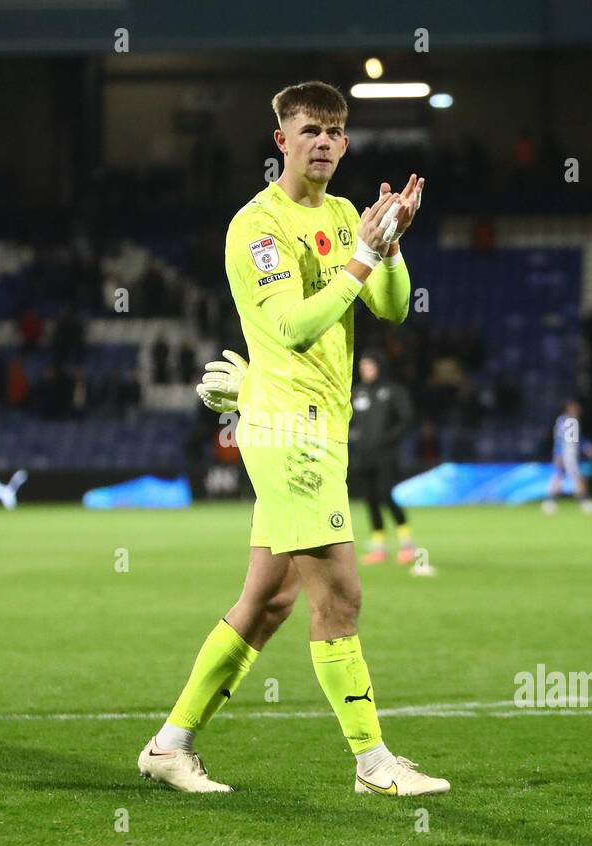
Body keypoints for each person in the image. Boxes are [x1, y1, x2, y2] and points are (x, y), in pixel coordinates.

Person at [140, 81, 448, 797]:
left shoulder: (346, 215)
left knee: (267, 603)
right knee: (339, 595)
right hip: (286, 429)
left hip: (323, 428)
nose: (324, 142)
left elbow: (393, 309)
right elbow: (291, 327)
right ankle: (373, 764)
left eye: (336, 131)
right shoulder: (257, 225)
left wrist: (389, 245)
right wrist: (362, 258)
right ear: (281, 140)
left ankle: (169, 746)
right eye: (310, 129)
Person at [349, 351, 416, 563]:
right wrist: (353, 437)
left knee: (386, 495)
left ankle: (407, 544)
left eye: (369, 365)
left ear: (379, 366)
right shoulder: (357, 392)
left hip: (386, 455)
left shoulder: (393, 391)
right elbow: (348, 421)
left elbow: (406, 419)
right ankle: (378, 547)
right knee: (370, 500)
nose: (365, 369)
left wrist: (389, 439)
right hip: (363, 455)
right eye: (362, 365)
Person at [543, 399, 592, 514]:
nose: (578, 410)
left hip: (565, 454)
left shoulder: (562, 420)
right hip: (567, 455)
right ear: (570, 409)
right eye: (575, 408)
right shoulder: (570, 421)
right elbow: (568, 441)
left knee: (559, 476)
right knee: (577, 477)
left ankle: (549, 502)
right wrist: (587, 448)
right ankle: (585, 502)